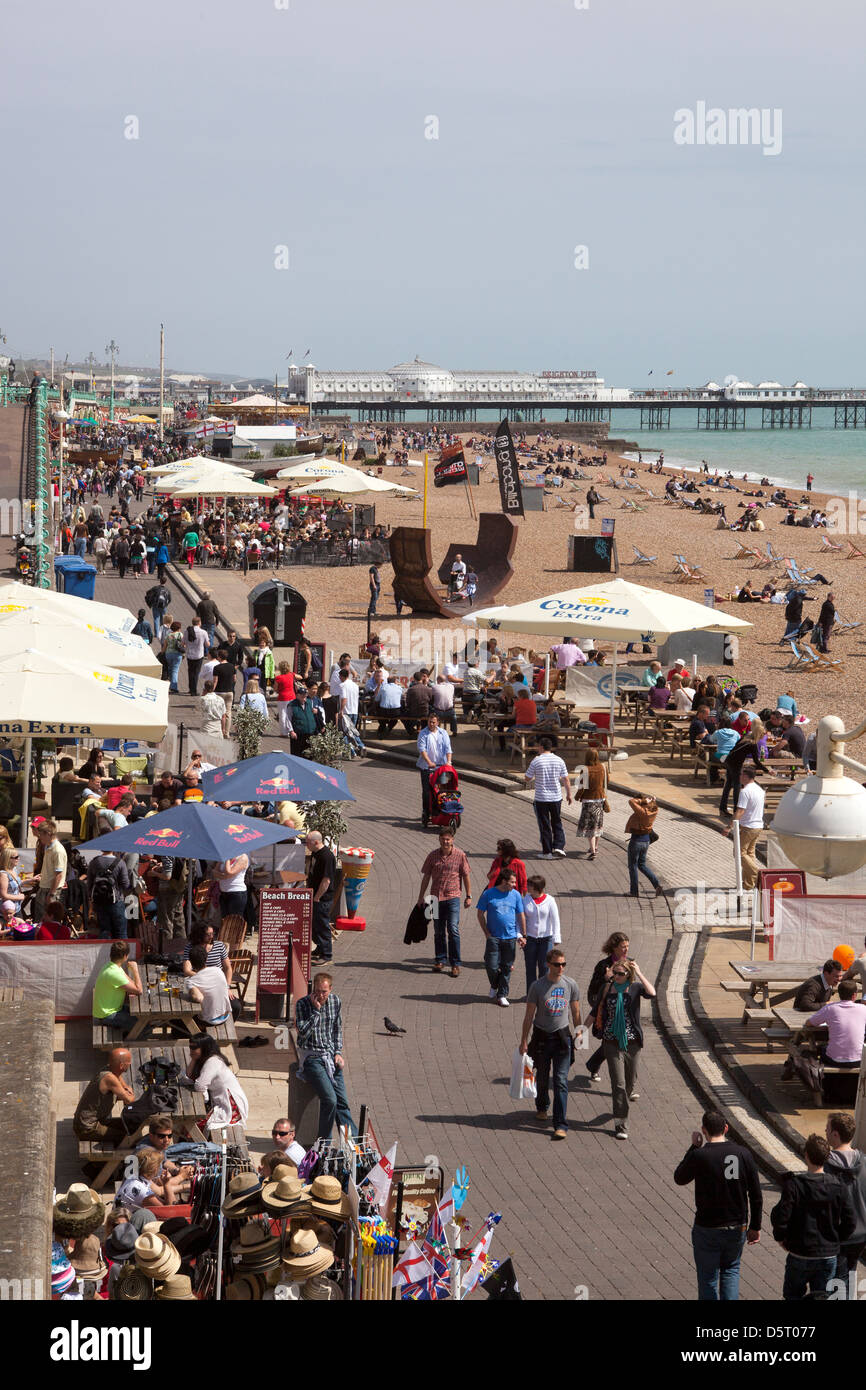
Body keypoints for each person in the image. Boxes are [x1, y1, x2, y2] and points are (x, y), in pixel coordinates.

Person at [673, 1109, 763, 1301]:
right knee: (731, 1270)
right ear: (726, 1128)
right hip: (737, 1226)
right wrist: (755, 1226)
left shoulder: (700, 1156)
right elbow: (756, 1194)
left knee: (708, 1278)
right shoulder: (743, 1154)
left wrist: (693, 1147)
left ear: (704, 1130)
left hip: (707, 1227)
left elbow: (679, 1178)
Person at [771, 1133, 857, 1301]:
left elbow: (781, 1217)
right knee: (822, 1296)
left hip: (799, 1252)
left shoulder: (794, 1185)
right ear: (827, 1157)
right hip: (827, 1255)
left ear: (806, 1155)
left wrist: (781, 1238)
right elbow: (850, 1221)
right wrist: (835, 1239)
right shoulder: (838, 1186)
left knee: (792, 1296)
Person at [520, 946, 580, 1140]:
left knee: (561, 1080)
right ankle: (542, 1105)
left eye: (563, 964)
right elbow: (529, 1015)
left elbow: (576, 1012)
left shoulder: (571, 985)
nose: (561, 968)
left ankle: (560, 1124)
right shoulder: (537, 986)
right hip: (542, 1037)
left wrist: (580, 1036)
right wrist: (523, 1041)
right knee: (543, 1077)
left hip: (562, 1038)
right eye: (557, 964)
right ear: (548, 965)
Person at [598, 956, 656, 1139]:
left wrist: (639, 972)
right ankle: (621, 1125)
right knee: (619, 1084)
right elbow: (596, 1010)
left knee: (629, 1083)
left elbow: (652, 993)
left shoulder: (636, 988)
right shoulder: (608, 987)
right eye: (614, 973)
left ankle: (622, 1102)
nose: (616, 976)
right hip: (611, 1041)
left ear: (628, 975)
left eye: (620, 974)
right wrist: (581, 1029)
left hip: (632, 1043)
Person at [294, 972, 358, 1138]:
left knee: (342, 1102)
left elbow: (337, 1029)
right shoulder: (302, 1004)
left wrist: (338, 1052)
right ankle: (324, 1144)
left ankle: (353, 1142)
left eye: (324, 992)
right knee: (330, 1100)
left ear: (330, 989)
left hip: (329, 1055)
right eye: (317, 991)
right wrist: (316, 1012)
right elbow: (302, 1033)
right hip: (311, 1057)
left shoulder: (336, 1002)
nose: (321, 995)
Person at [417, 828, 471, 977]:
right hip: (434, 898)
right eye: (443, 839)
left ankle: (455, 964)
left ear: (452, 840)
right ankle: (440, 959)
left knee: (453, 929)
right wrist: (421, 897)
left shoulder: (460, 855)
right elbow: (426, 877)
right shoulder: (432, 856)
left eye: (448, 839)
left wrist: (469, 895)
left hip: (453, 897)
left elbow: (466, 876)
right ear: (439, 839)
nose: (446, 842)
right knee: (438, 931)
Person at [824, 1112, 866, 1299]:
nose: (825, 1131)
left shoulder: (825, 1165)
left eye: (828, 1129)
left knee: (835, 1281)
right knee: (849, 1273)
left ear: (835, 1134)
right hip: (861, 1233)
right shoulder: (864, 1162)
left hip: (836, 1233)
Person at [585, 932, 632, 1083]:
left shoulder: (630, 964)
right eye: (622, 947)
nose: (625, 950)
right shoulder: (603, 965)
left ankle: (593, 1064)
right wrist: (606, 978)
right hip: (603, 1004)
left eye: (627, 946)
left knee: (613, 1039)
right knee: (611, 1038)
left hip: (622, 1006)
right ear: (614, 947)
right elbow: (593, 988)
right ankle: (595, 1066)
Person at [476, 869, 526, 1007]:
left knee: (506, 967)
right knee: (491, 965)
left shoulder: (515, 895)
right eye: (512, 882)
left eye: (515, 882)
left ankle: (502, 994)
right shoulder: (488, 894)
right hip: (494, 937)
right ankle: (495, 984)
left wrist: (523, 935)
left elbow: (520, 915)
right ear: (504, 881)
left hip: (510, 937)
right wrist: (486, 933)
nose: (515, 885)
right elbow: (480, 914)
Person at [184, 1035, 248, 1130]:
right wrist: (193, 1059)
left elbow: (200, 1085)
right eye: (190, 1047)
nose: (191, 1050)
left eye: (194, 1048)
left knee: (194, 1124)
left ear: (204, 1048)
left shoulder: (213, 1061)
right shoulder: (203, 1059)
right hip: (217, 1098)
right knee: (190, 1121)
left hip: (230, 1104)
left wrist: (205, 1098)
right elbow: (188, 1078)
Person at [73, 1048, 135, 1146]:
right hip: (87, 1128)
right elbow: (129, 1100)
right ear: (122, 1065)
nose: (130, 1064)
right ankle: (110, 1160)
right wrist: (129, 1092)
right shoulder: (109, 1078)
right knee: (126, 1138)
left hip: (90, 1120)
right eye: (129, 1062)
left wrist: (126, 1089)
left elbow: (121, 1082)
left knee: (127, 1124)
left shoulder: (109, 1069)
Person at [524, 737, 572, 859]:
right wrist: (569, 794)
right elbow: (566, 779)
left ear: (541, 747)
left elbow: (527, 778)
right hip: (556, 797)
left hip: (541, 798)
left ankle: (547, 851)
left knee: (544, 825)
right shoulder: (559, 760)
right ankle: (559, 847)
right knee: (557, 822)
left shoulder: (536, 761)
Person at [807, 981, 866, 1067]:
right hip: (859, 1059)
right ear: (854, 995)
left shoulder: (830, 1008)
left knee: (820, 1048)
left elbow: (809, 1023)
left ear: (839, 994)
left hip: (835, 1060)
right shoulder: (863, 1009)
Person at [723, 767, 764, 891]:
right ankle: (748, 884)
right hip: (758, 825)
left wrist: (729, 826)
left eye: (741, 775)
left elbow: (740, 811)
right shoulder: (759, 789)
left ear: (746, 776)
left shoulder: (745, 792)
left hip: (748, 827)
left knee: (739, 853)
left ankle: (757, 873)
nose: (739, 776)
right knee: (749, 854)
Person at [92, 940, 143, 1035]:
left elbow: (130, 983)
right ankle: (130, 1046)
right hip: (107, 1015)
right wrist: (135, 970)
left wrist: (134, 985)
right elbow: (139, 990)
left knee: (141, 1018)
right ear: (125, 956)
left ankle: (128, 1035)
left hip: (112, 1009)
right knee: (142, 1027)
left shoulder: (112, 966)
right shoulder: (114, 973)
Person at [521, 874, 561, 991]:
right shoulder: (526, 900)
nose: (527, 887)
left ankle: (543, 993)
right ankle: (531, 994)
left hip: (546, 939)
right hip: (530, 939)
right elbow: (520, 919)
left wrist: (556, 937)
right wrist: (520, 935)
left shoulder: (550, 900)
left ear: (538, 887)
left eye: (530, 885)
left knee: (545, 967)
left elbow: (555, 919)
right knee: (530, 967)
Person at [87, 846, 131, 940]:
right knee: (120, 932)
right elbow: (125, 884)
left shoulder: (94, 862)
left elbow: (89, 884)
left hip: (99, 902)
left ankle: (104, 954)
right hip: (117, 901)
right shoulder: (120, 863)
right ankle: (121, 953)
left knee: (104, 931)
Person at [416, 713, 452, 827]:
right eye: (429, 722)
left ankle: (441, 810)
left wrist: (449, 762)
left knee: (442, 791)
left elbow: (448, 748)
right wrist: (429, 762)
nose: (431, 724)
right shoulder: (423, 733)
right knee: (427, 792)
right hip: (427, 767)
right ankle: (426, 811)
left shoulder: (443, 733)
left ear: (438, 723)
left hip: (441, 766)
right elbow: (422, 750)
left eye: (433, 722)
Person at [184, 944, 233, 1028]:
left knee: (178, 1020)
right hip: (226, 1015)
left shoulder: (191, 981)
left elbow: (199, 998)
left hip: (210, 1020)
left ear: (191, 963)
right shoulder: (218, 970)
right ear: (206, 959)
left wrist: (191, 992)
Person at [306, 830, 337, 965]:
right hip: (314, 894)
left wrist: (317, 897)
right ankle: (319, 947)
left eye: (308, 842)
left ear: (316, 842)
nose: (306, 845)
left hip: (322, 898)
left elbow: (326, 880)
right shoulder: (316, 853)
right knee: (315, 924)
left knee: (322, 924)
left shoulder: (326, 857)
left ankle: (326, 954)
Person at [624, 794, 662, 897]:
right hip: (646, 841)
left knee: (633, 866)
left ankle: (634, 891)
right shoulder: (654, 810)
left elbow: (631, 801)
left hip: (636, 841)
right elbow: (653, 804)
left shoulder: (642, 812)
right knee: (642, 865)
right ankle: (657, 885)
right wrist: (651, 800)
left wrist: (643, 800)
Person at [30, 819, 67, 919]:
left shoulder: (58, 850)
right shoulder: (47, 846)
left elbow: (58, 875)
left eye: (41, 834)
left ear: (48, 834)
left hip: (50, 890)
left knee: (49, 920)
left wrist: (51, 894)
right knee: (39, 918)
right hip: (44, 887)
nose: (39, 837)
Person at [575, 746, 607, 860]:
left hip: (588, 801)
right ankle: (596, 847)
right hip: (600, 800)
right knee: (597, 825)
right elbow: (606, 782)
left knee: (589, 827)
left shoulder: (585, 769)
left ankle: (593, 851)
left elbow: (582, 787)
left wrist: (577, 796)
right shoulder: (603, 767)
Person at [217, 852, 249, 921]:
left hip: (237, 893)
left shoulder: (242, 857)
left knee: (234, 921)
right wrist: (225, 876)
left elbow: (230, 872)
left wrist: (227, 858)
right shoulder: (224, 856)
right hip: (224, 892)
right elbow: (214, 871)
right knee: (225, 920)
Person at [162, 621, 185, 693]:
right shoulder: (180, 635)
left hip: (168, 654)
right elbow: (184, 645)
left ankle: (170, 684)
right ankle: (174, 687)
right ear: (178, 628)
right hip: (177, 654)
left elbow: (165, 646)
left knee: (170, 669)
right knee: (175, 670)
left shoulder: (168, 635)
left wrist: (162, 653)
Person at [274, 660, 296, 737]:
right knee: (290, 715)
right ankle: (291, 730)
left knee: (282, 715)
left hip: (283, 697)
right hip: (292, 696)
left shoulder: (278, 678)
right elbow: (300, 677)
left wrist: (278, 690)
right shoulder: (291, 675)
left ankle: (284, 732)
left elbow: (275, 689)